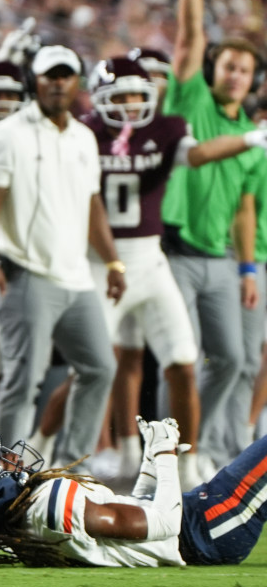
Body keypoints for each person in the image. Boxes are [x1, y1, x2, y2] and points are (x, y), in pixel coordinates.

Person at [39, 57, 267, 488]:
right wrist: (108, 261)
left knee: (183, 362)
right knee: (89, 370)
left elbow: (199, 154)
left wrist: (251, 138)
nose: (129, 104)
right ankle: (40, 442)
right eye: (120, 96)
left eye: (135, 95)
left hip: (150, 260)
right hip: (100, 263)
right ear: (100, 98)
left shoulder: (164, 130)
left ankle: (187, 465)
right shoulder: (83, 134)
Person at [0, 45, 125, 471]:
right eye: (49, 75)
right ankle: (4, 475)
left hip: (75, 276)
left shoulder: (84, 137)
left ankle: (73, 468)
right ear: (33, 81)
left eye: (65, 75)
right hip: (24, 271)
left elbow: (92, 203)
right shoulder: (6, 134)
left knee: (100, 367)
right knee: (23, 379)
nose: (58, 83)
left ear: (77, 82)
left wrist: (113, 262)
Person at [159, 0, 267, 473]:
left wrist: (248, 268)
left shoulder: (252, 133)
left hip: (221, 258)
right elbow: (189, 34)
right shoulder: (190, 99)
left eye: (245, 70)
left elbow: (245, 208)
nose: (236, 74)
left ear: (253, 80)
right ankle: (169, 457)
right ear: (213, 69)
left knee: (231, 357)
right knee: (180, 356)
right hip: (174, 250)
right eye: (229, 65)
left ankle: (197, 448)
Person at [0, 421, 267, 568]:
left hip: (199, 529)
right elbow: (166, 523)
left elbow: (131, 523)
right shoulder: (49, 505)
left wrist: (150, 462)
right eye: (1, 460)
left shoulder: (25, 526)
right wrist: (165, 453)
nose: (14, 458)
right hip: (207, 526)